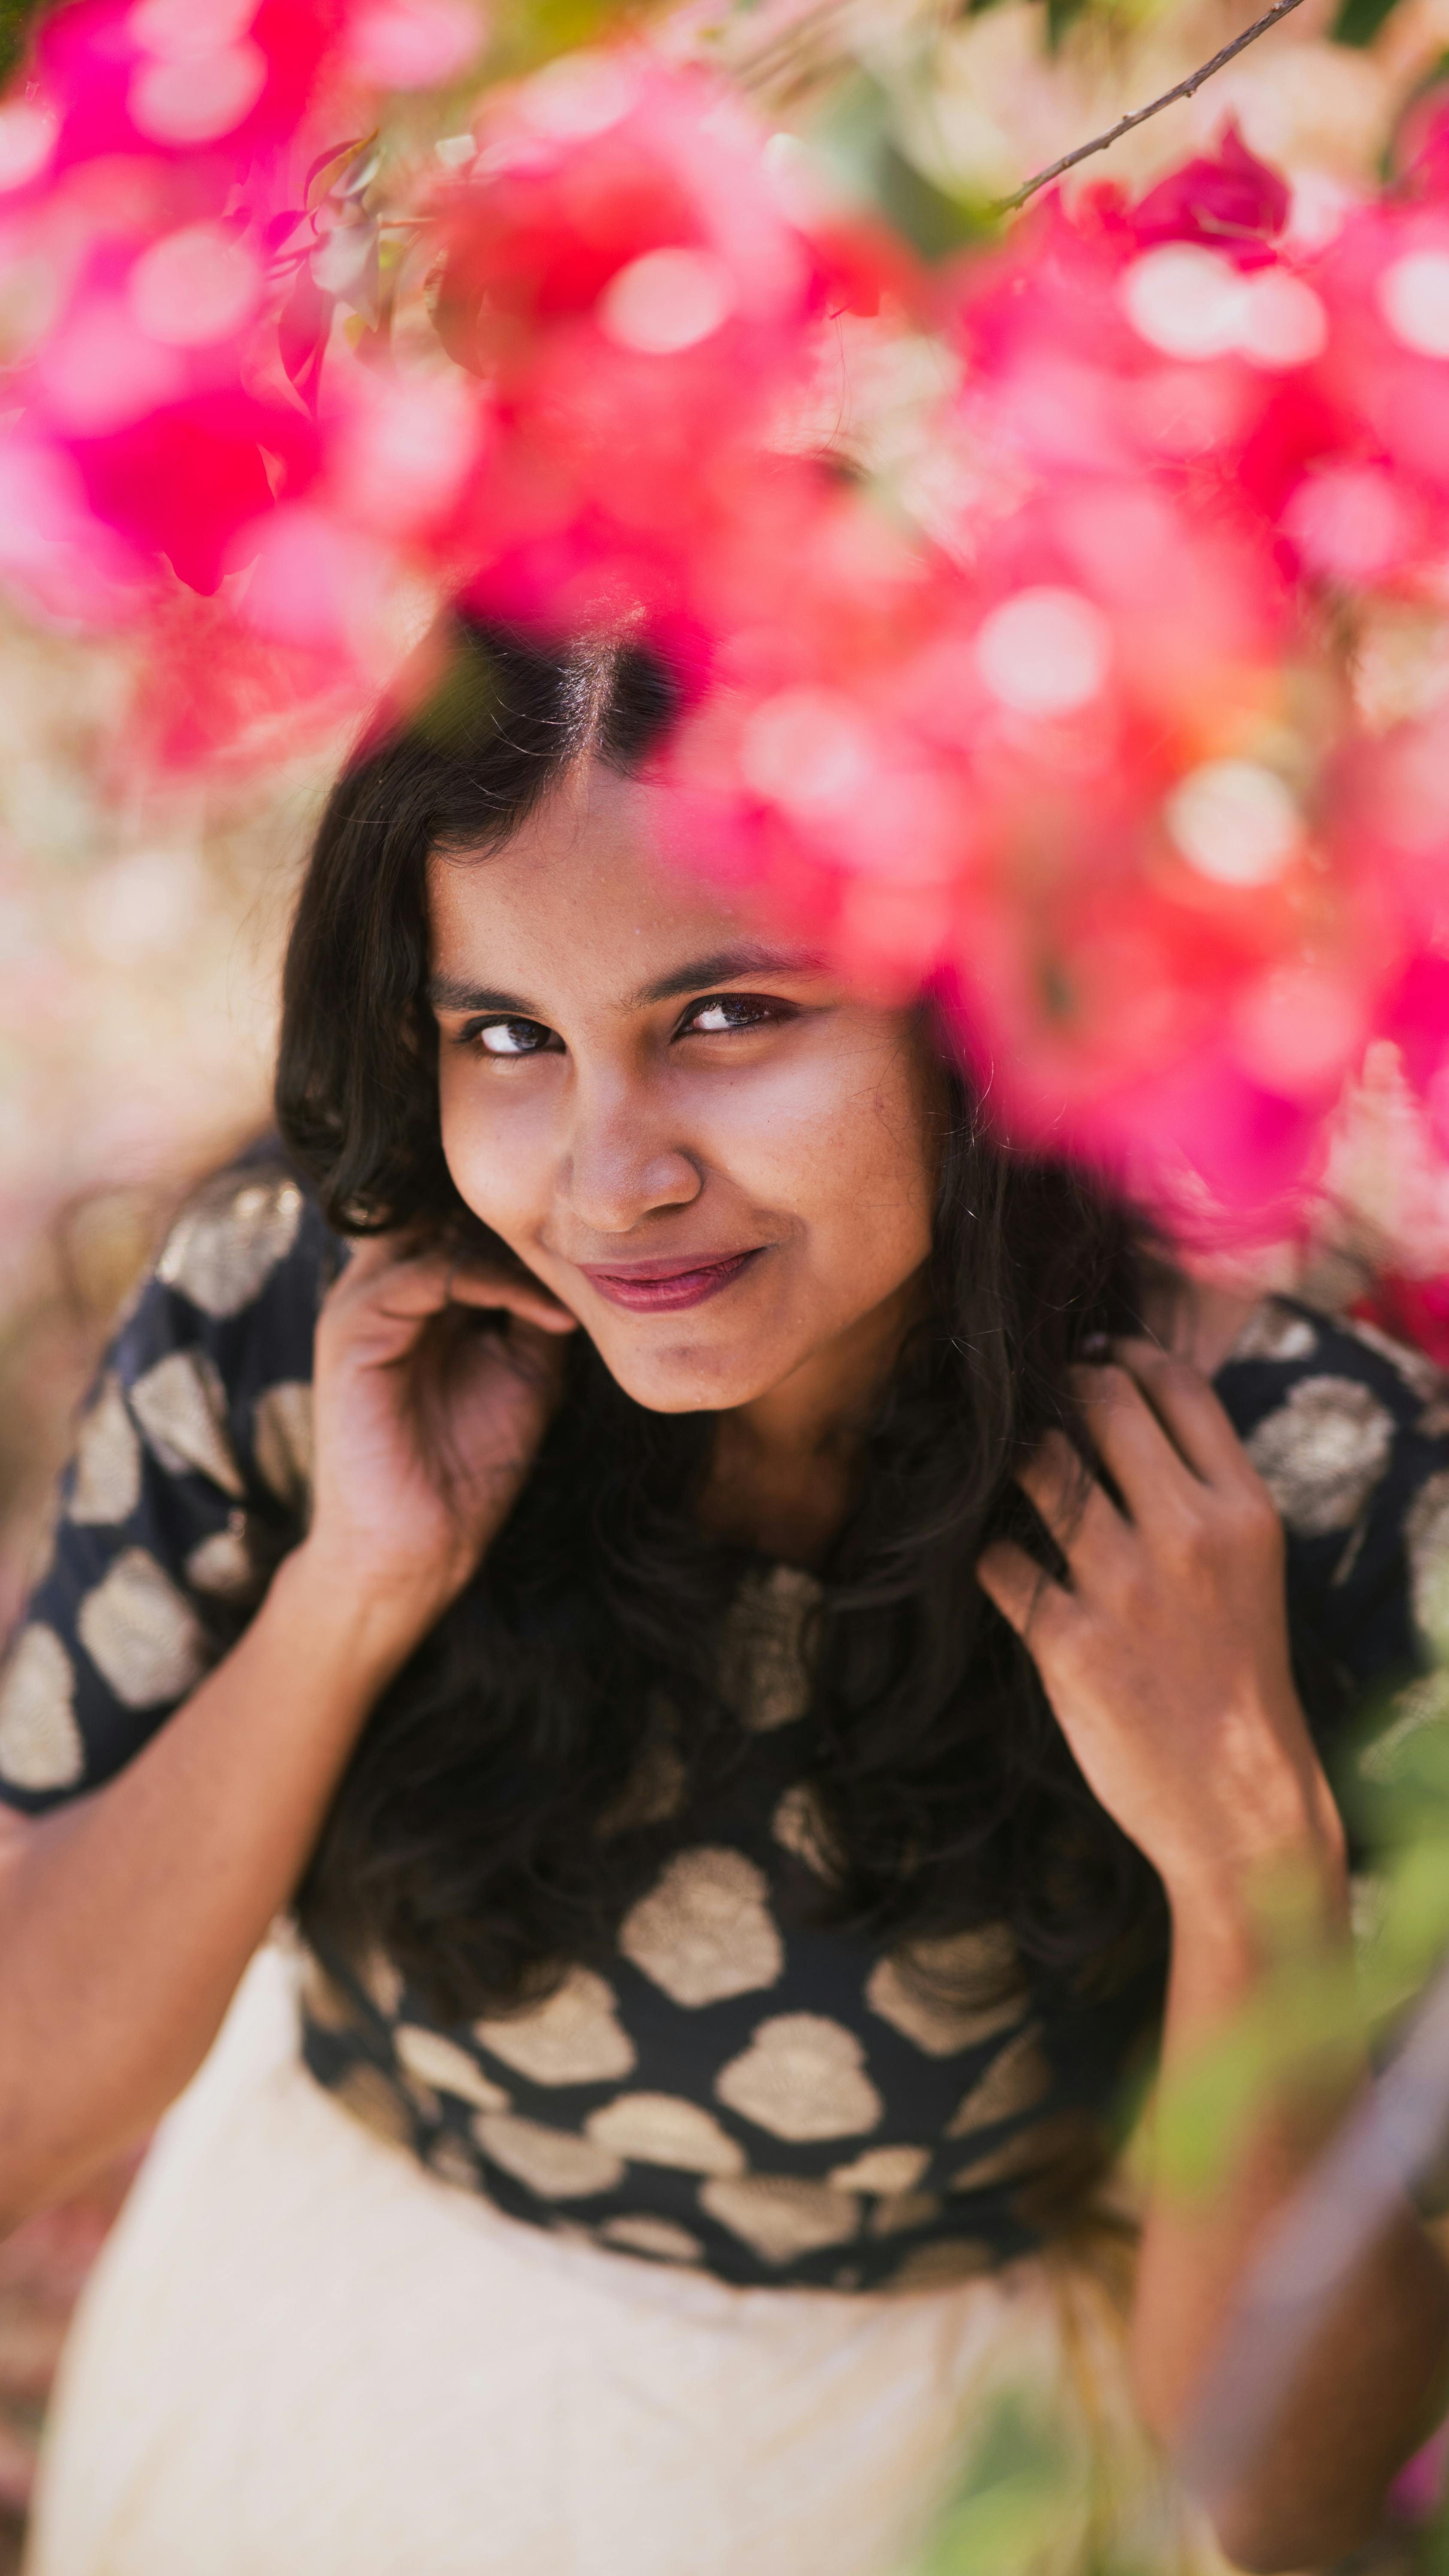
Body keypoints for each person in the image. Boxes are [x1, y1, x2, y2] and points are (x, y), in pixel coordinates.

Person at [1, 619, 1447, 2576]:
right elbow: (24, 2107)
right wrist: (353, 1594)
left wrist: (1241, 1855)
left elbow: (1278, 2499)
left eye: (728, 1018)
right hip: (309, 2422)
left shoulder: (1305, 1487)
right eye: (505, 1036)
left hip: (918, 2499)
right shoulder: (315, 1318)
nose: (609, 1179)